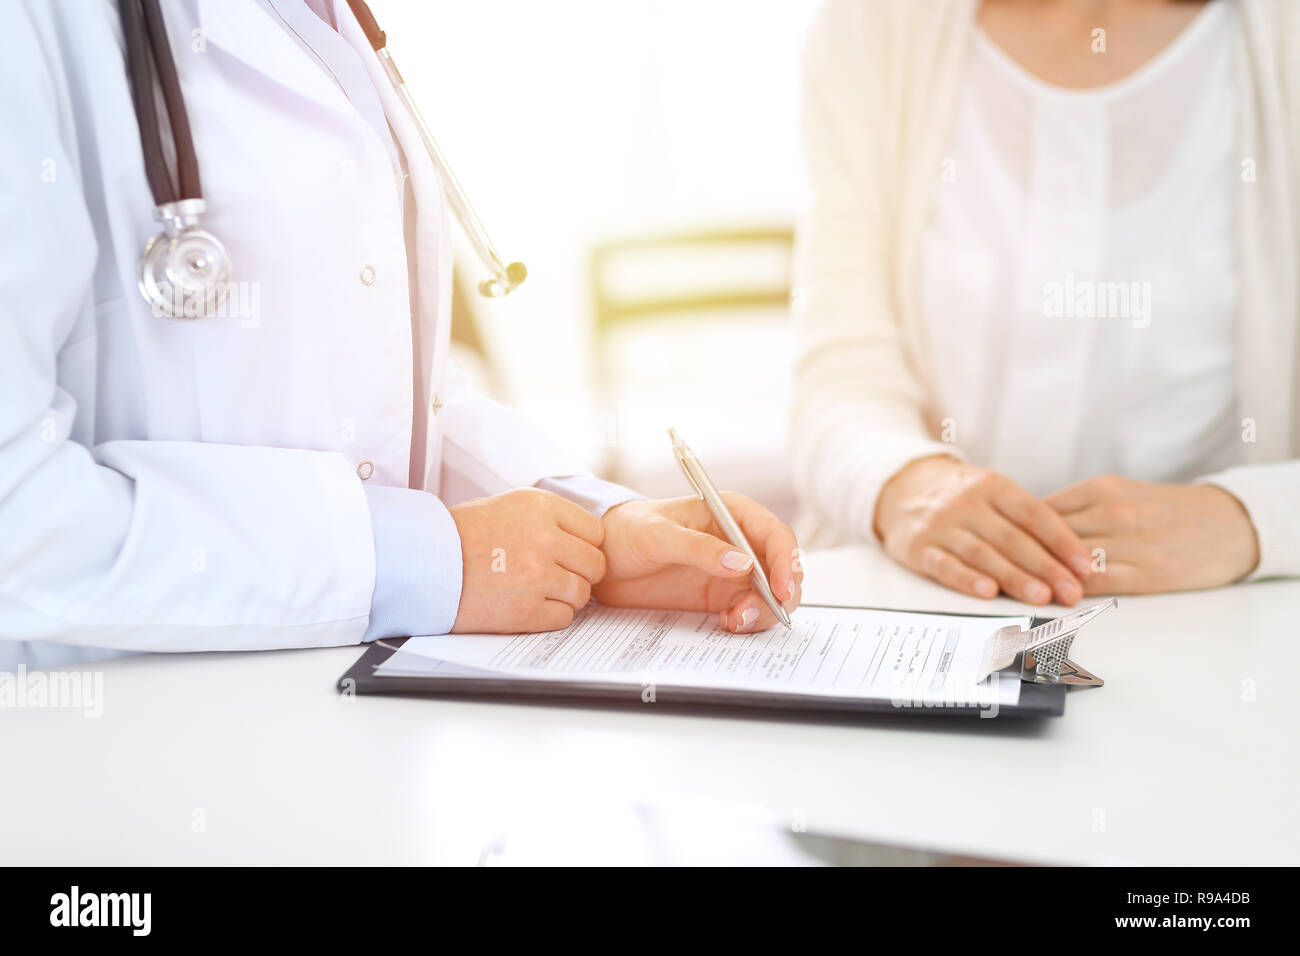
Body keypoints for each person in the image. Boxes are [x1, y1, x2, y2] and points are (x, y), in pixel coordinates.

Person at [0, 0, 801, 670]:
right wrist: (420, 560)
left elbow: (373, 405)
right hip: (106, 766)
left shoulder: (317, 18)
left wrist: (590, 534)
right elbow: (17, 515)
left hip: (340, 736)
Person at [792, 0, 1299, 606]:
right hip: (926, 602)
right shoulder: (874, 28)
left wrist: (1255, 520)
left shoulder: (1278, 38)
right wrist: (904, 485)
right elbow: (838, 376)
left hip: (1231, 614)